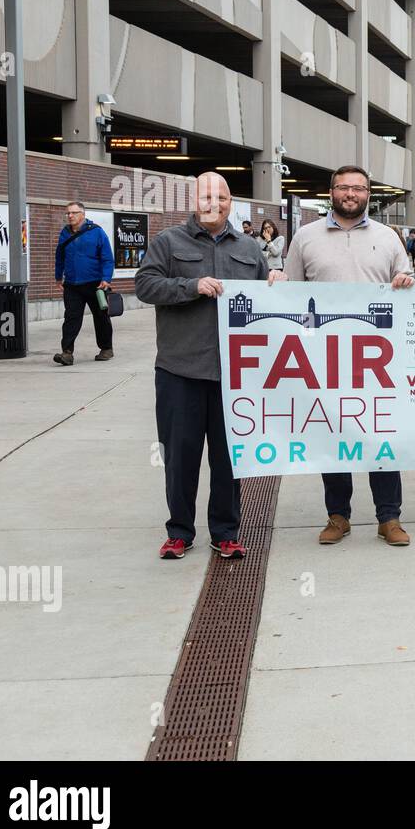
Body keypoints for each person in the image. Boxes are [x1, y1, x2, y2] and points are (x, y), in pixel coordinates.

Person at [135, 172, 286, 560]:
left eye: (220, 196)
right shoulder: (169, 242)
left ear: (230, 202)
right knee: (180, 458)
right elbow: (145, 285)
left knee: (228, 458)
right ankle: (179, 532)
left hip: (234, 375)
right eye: (206, 195)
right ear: (194, 199)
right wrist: (190, 286)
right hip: (179, 370)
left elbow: (260, 302)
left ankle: (226, 531)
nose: (213, 203)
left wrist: (272, 283)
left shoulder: (250, 248)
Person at [285, 165, 415, 547]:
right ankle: (338, 516)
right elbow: (291, 291)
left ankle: (388, 518)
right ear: (331, 192)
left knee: (381, 435)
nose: (350, 194)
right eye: (343, 187)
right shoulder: (306, 237)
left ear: (367, 194)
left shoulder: (388, 237)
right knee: (334, 436)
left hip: (378, 358)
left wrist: (406, 282)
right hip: (325, 355)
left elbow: (406, 285)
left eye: (358, 188)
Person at [52, 201, 115, 365]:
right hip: (72, 284)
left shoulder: (97, 232)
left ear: (83, 214)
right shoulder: (64, 233)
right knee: (71, 318)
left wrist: (106, 279)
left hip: (95, 284)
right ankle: (67, 352)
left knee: (101, 317)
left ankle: (106, 348)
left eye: (74, 213)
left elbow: (107, 258)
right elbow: (60, 256)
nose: (70, 216)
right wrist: (58, 277)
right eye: (68, 213)